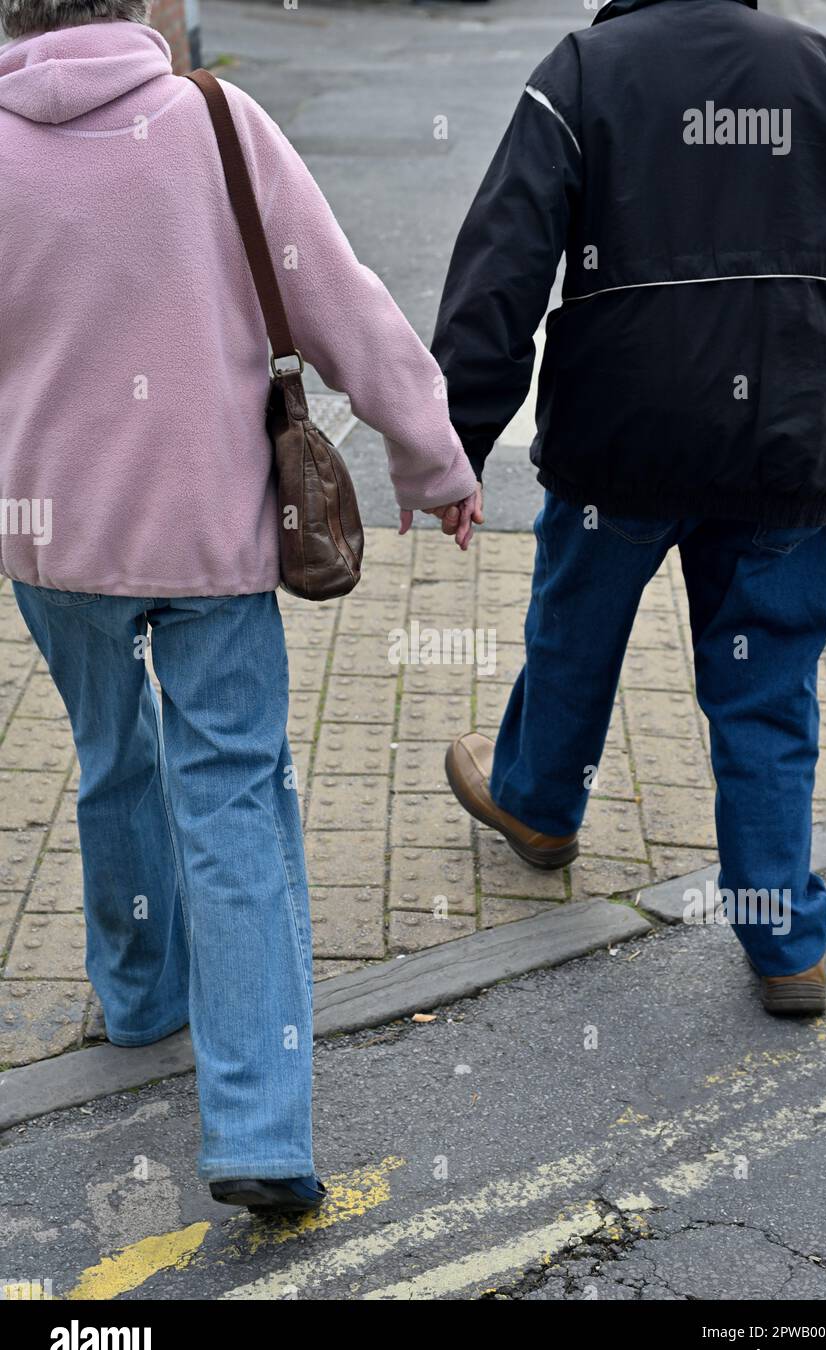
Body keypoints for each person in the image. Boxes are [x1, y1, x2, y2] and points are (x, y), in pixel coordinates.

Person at [0, 0, 481, 1212]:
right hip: (210, 538)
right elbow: (343, 304)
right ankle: (259, 1127)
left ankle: (142, 992)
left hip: (49, 540)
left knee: (111, 756)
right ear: (143, 5)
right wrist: (430, 457)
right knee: (234, 797)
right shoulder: (216, 122)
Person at [432, 0, 826, 1017]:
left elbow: (500, 266)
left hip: (622, 437)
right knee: (765, 685)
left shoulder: (584, 70)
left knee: (573, 638)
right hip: (784, 433)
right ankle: (783, 945)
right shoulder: (825, 70)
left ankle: (539, 807)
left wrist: (454, 441)